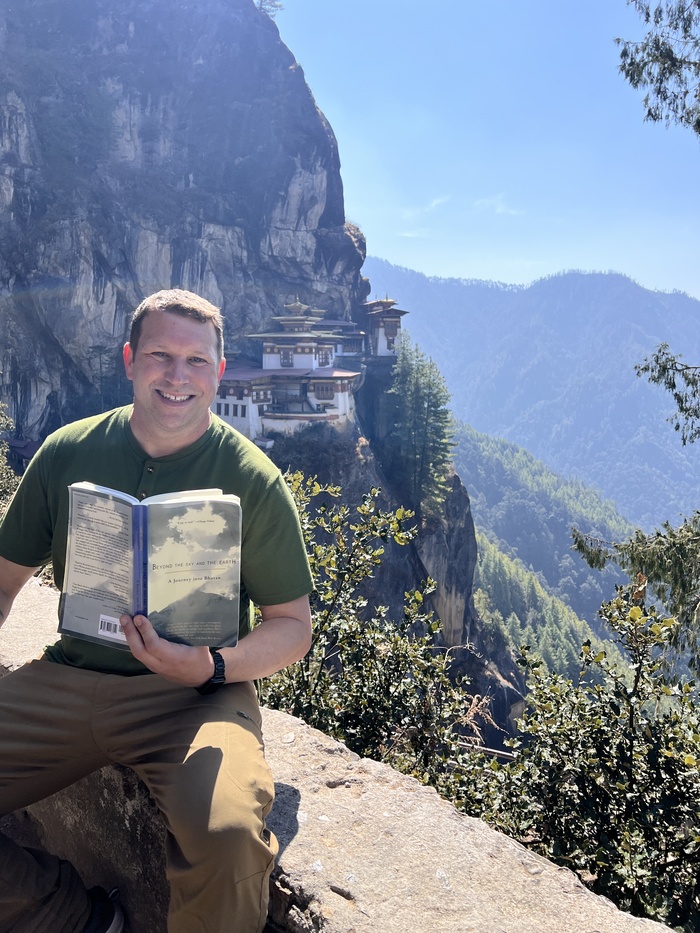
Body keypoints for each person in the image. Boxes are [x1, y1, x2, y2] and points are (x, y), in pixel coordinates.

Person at [0, 289, 314, 933]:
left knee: (228, 838)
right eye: (160, 355)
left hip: (193, 698)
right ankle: (64, 917)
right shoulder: (66, 452)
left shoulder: (252, 480)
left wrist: (212, 664)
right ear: (129, 360)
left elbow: (292, 627)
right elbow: (4, 579)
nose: (178, 376)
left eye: (197, 361)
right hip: (70, 677)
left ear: (219, 371)